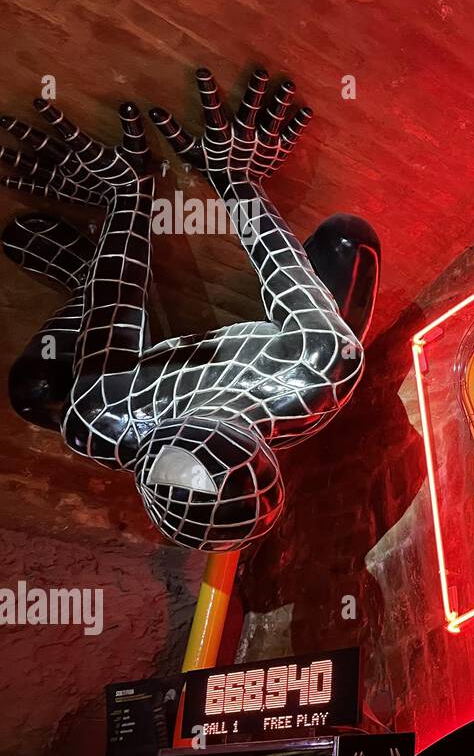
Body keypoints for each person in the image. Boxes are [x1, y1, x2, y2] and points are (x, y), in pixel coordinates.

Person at [1, 68, 379, 550]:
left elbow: (116, 303)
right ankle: (313, 305)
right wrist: (233, 175)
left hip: (147, 370)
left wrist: (130, 190)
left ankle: (81, 276)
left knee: (35, 393)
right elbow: (278, 260)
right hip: (270, 353)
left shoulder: (105, 417)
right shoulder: (316, 365)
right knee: (350, 237)